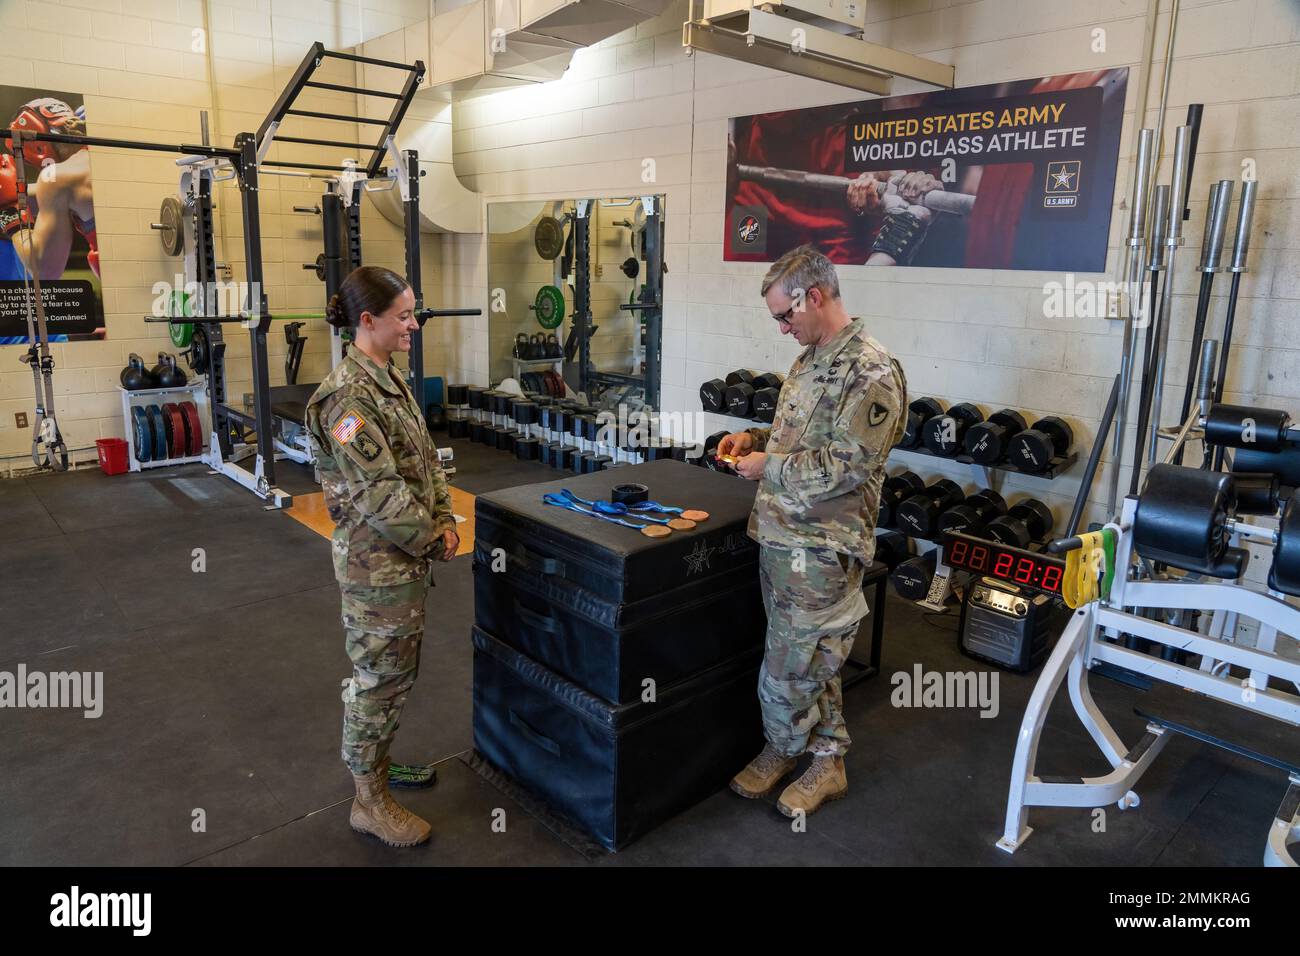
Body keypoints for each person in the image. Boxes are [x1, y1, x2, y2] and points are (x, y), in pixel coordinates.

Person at [720, 244, 906, 818]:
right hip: (782, 535)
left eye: (785, 315)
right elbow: (802, 436)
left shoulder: (872, 371)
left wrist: (766, 467)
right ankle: (812, 755)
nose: (781, 328)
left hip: (823, 549)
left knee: (795, 662)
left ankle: (797, 750)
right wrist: (755, 441)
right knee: (810, 655)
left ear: (815, 297)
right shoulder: (811, 358)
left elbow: (850, 464)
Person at [305, 266, 458, 848]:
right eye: (403, 316)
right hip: (378, 569)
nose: (413, 324)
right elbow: (381, 494)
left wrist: (444, 517)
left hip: (404, 561)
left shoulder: (388, 380)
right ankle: (367, 799)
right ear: (367, 321)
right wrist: (430, 537)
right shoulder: (347, 398)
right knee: (379, 678)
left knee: (398, 673)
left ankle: (381, 766)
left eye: (412, 313)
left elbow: (427, 459)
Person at [3, 98, 99, 280]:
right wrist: (11, 194)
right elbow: (41, 194)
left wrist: (11, 214)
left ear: (39, 148)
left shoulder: (58, 177)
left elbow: (45, 271)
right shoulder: (92, 161)